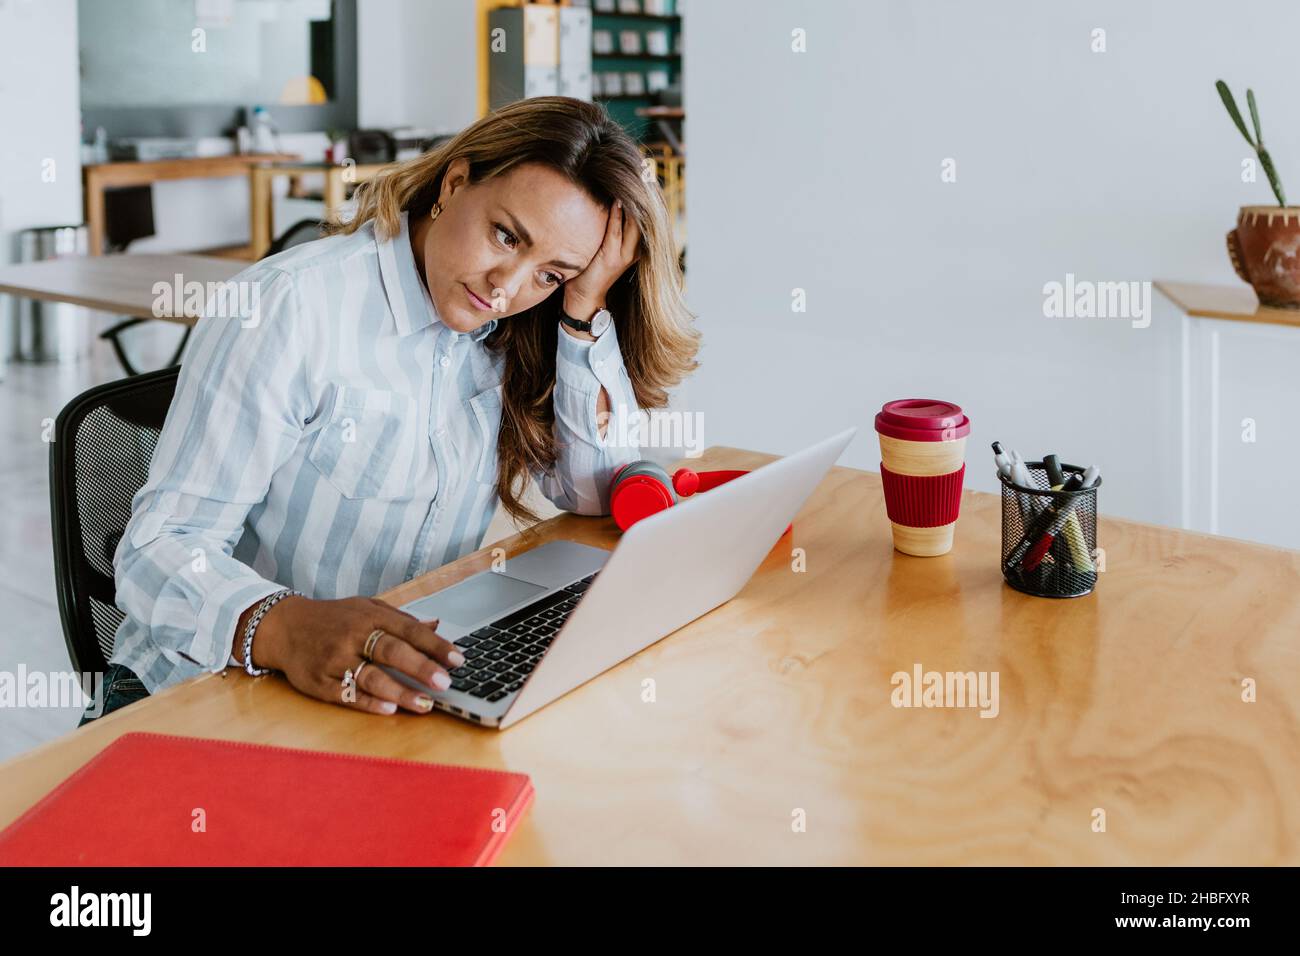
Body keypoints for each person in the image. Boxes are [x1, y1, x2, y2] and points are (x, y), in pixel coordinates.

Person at [80, 96, 700, 725]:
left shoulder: (518, 325)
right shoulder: (291, 308)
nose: (505, 286)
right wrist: (287, 627)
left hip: (388, 681)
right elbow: (159, 549)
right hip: (205, 687)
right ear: (454, 183)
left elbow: (594, 491)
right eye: (506, 236)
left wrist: (582, 310)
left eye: (550, 273)